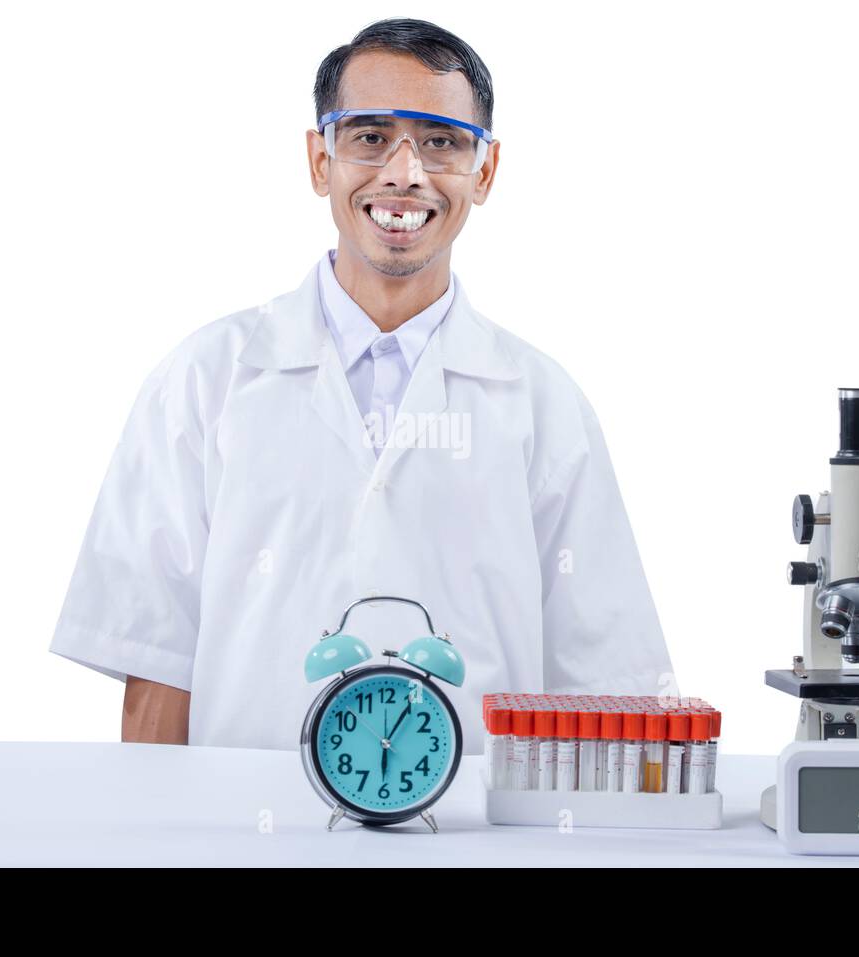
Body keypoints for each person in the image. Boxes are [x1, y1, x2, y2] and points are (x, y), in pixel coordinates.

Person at [50, 17, 675, 751]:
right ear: (320, 160)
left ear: (485, 169)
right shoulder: (205, 380)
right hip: (249, 841)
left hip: (476, 844)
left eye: (440, 140)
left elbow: (600, 687)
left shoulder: (543, 406)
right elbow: (154, 659)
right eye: (370, 136)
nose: (404, 172)